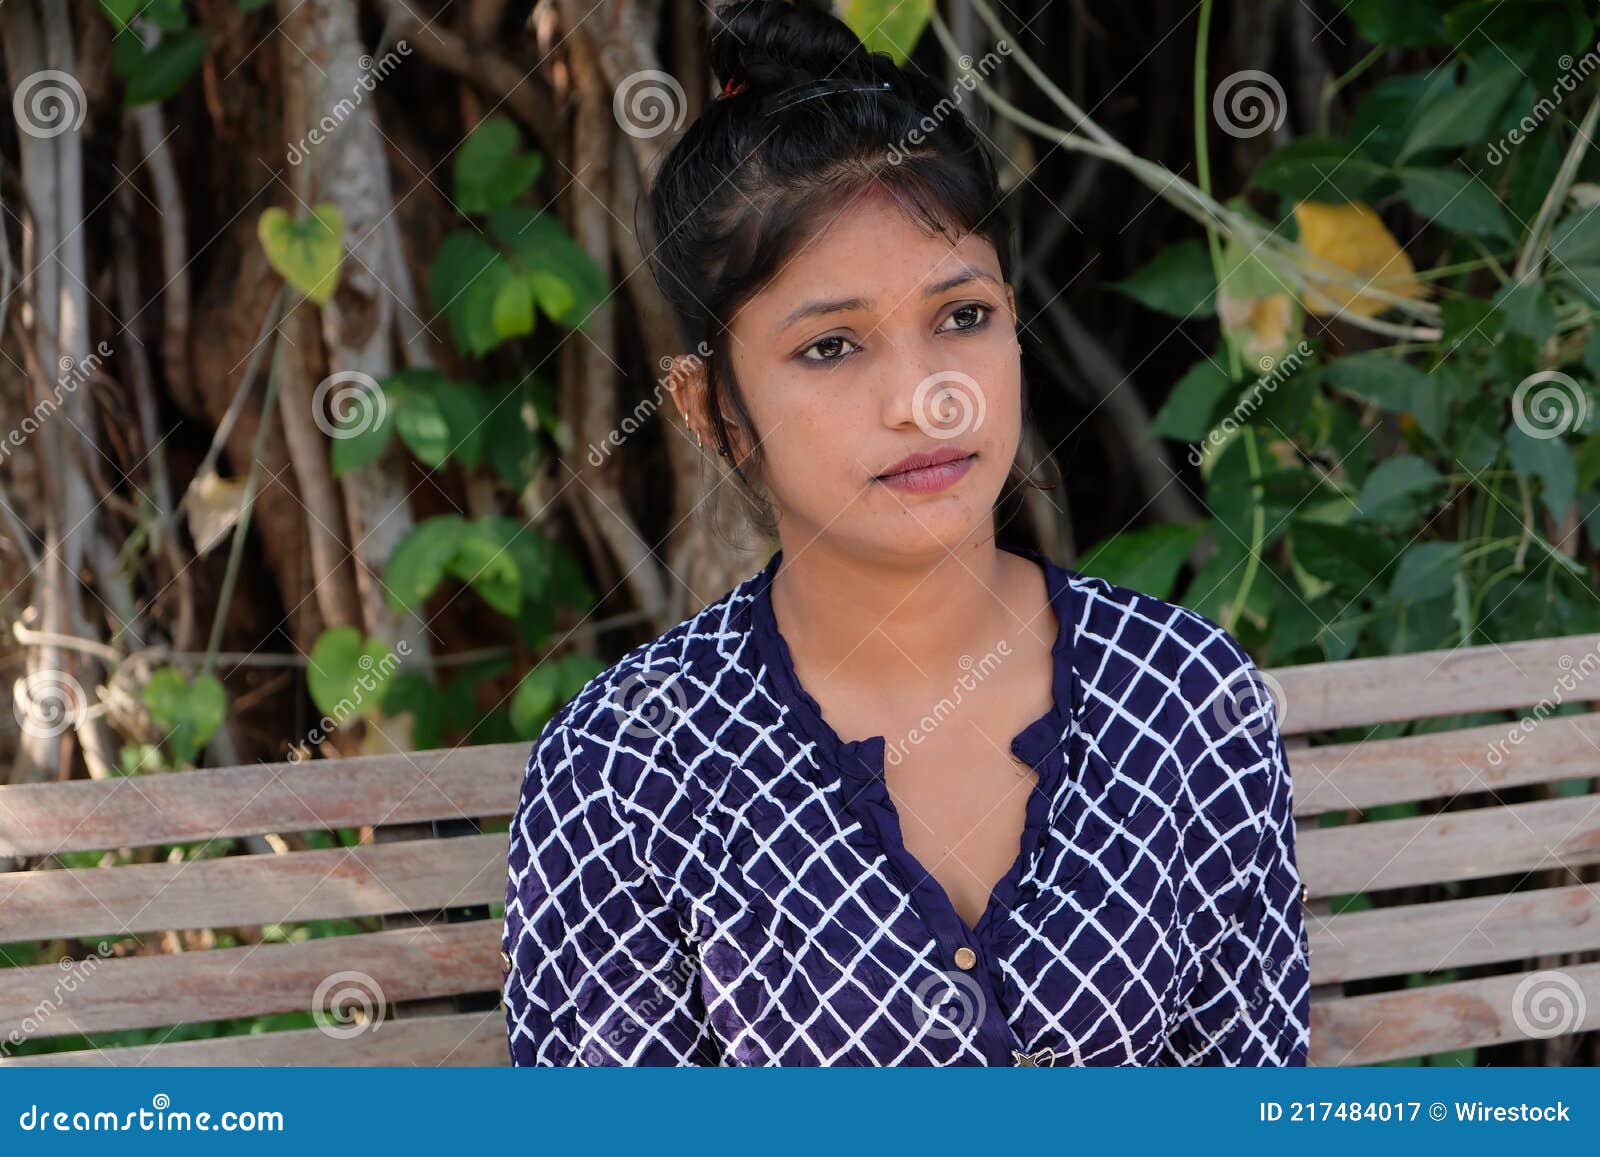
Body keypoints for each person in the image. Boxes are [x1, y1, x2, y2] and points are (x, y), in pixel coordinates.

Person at [501, 0, 1309, 1067]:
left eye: (962, 316)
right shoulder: (629, 764)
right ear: (708, 410)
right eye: (832, 346)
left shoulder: (1180, 699)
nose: (925, 399)